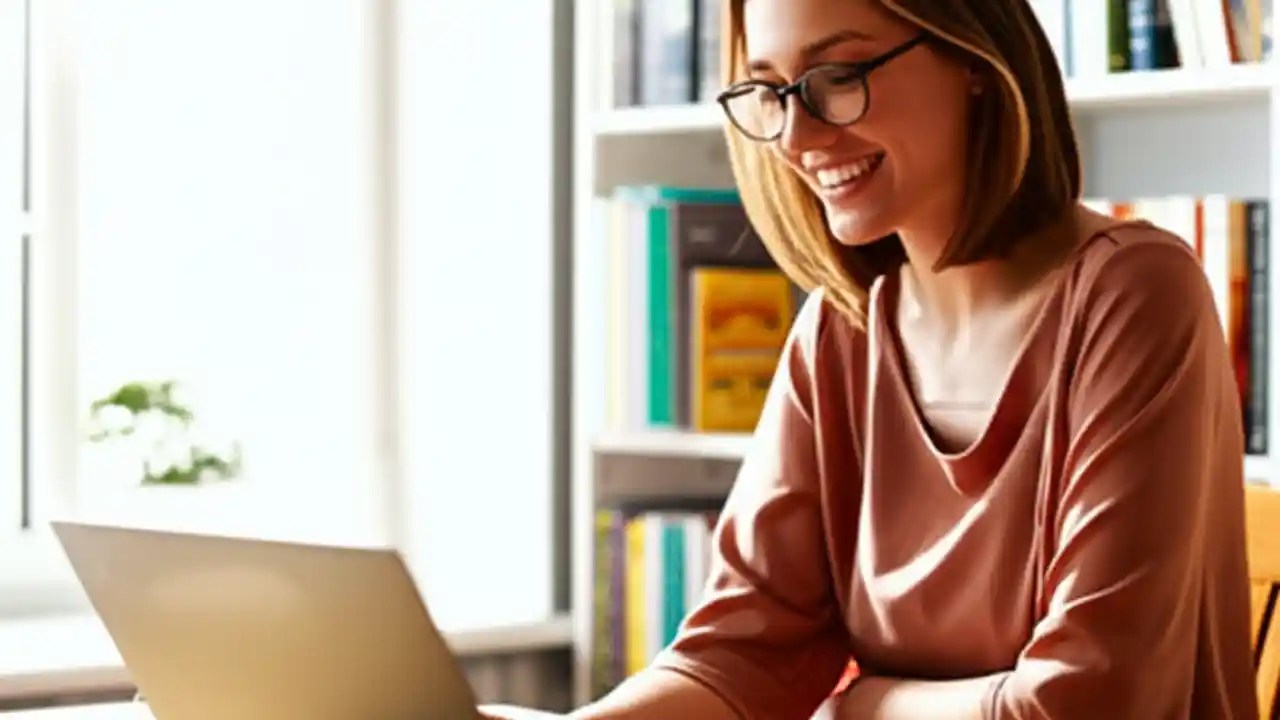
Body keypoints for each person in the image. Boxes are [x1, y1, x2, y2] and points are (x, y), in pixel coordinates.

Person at [486, 0, 1260, 717]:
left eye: (837, 78)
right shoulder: (841, 332)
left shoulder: (1135, 294)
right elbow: (737, 657)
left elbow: (1090, 702)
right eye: (771, 91)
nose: (796, 136)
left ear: (976, 62)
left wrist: (864, 703)